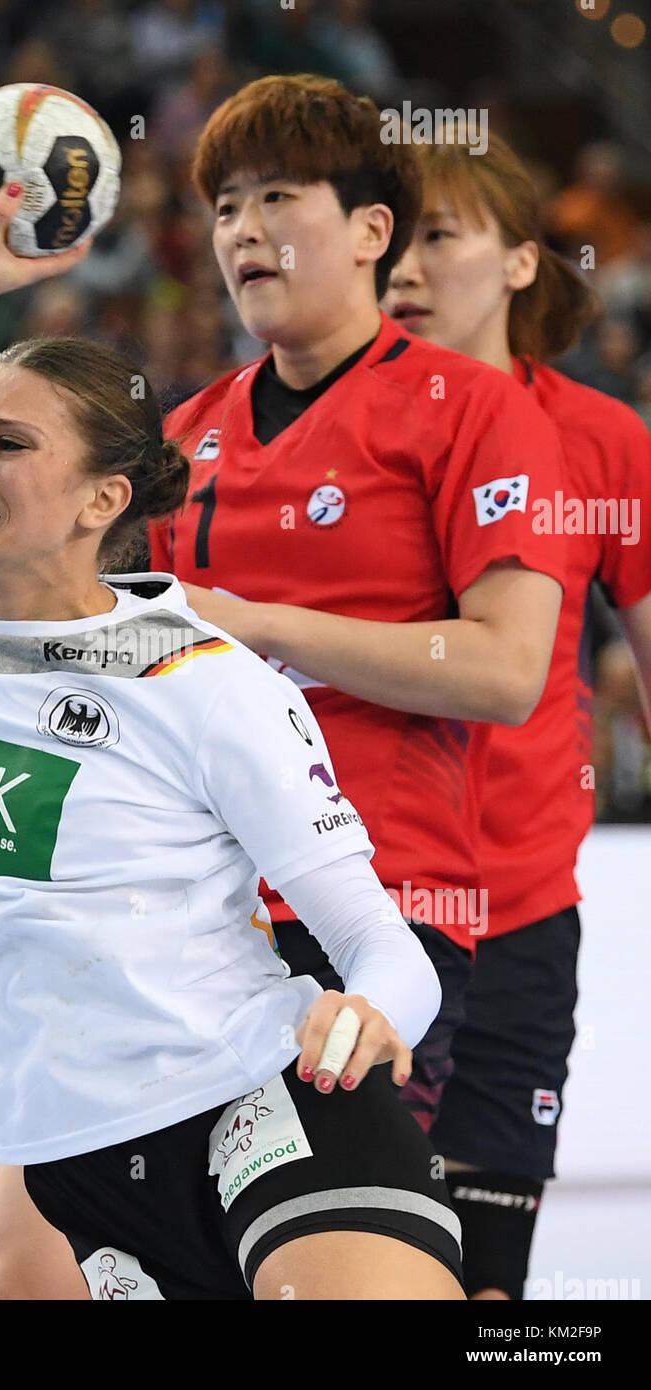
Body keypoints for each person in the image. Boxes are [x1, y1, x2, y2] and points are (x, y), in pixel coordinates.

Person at [0, 184, 463, 1301]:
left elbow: (376, 943)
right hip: (68, 1152)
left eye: (9, 444)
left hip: (259, 1095)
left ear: (103, 497)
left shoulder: (200, 679)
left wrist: (371, 1008)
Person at [0, 73, 571, 1301]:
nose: (242, 229)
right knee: (24, 1278)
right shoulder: (182, 434)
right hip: (167, 920)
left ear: (373, 231)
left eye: (279, 196)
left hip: (366, 910)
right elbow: (78, 670)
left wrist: (256, 623)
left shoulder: (471, 410)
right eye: (223, 204)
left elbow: (505, 669)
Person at [379, 133, 651, 1300]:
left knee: (488, 1290)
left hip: (522, 917)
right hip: (353, 913)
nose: (404, 268)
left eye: (438, 235)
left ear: (523, 263)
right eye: (386, 237)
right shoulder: (328, 425)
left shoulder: (602, 442)